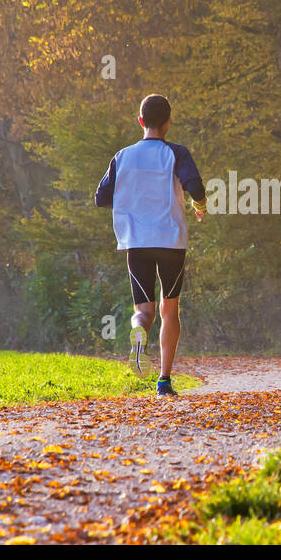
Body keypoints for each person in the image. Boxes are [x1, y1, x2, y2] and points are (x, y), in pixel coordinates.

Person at [94, 94, 206, 397]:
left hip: (136, 242)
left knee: (144, 310)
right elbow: (195, 186)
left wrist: (132, 199)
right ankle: (164, 381)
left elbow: (101, 198)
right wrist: (200, 205)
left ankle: (138, 330)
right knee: (170, 310)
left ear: (141, 121)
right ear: (168, 123)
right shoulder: (176, 153)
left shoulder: (122, 156)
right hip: (171, 241)